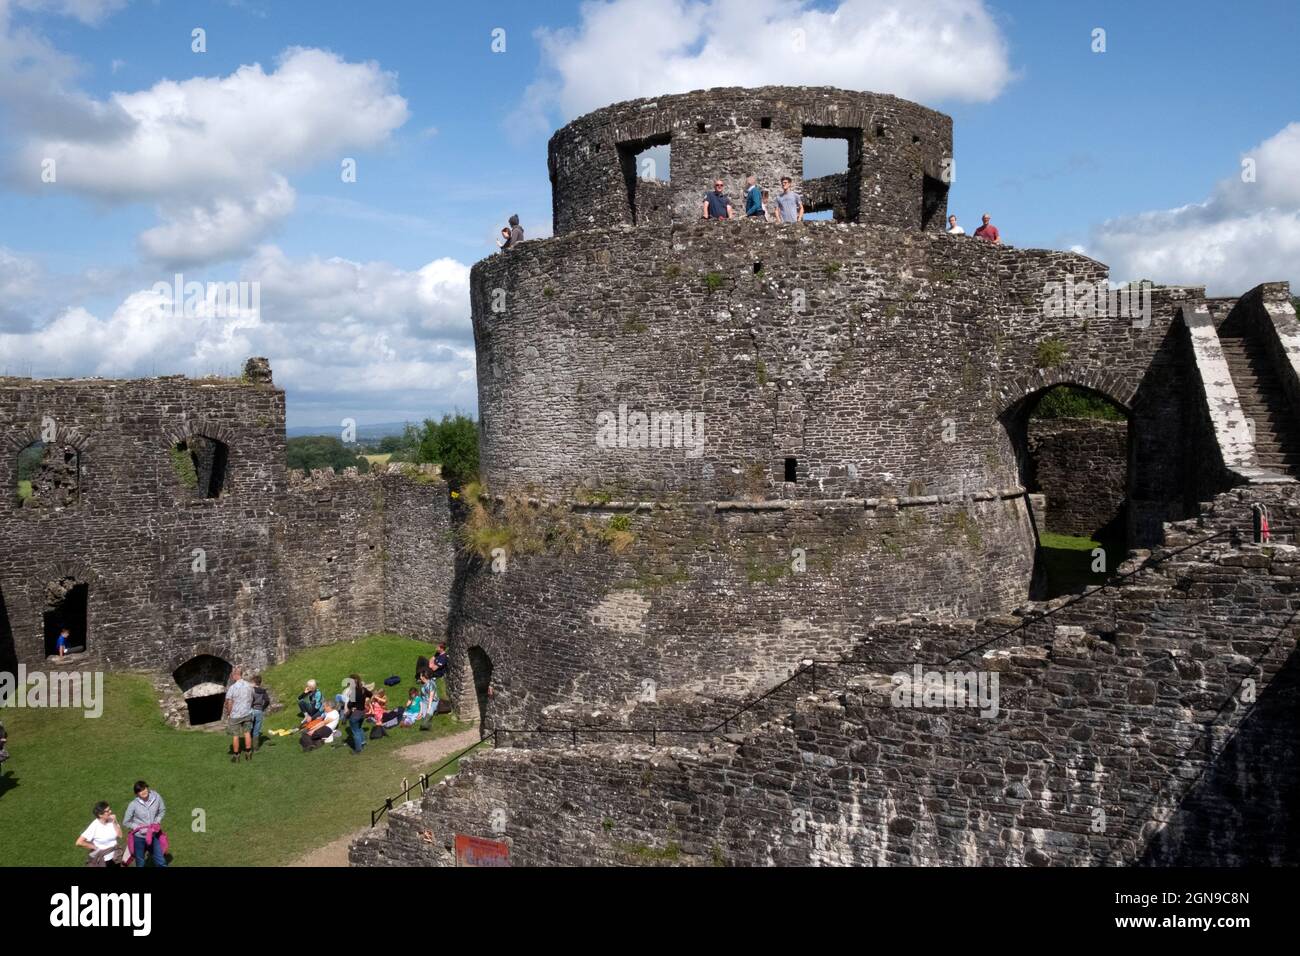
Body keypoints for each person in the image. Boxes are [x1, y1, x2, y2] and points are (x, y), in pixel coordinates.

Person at [121, 781, 167, 868]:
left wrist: (157, 821)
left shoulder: (156, 797)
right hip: (139, 838)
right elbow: (126, 821)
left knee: (160, 860)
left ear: (147, 788)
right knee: (140, 863)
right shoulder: (133, 805)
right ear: (136, 794)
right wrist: (137, 827)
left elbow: (162, 810)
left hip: (154, 836)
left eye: (144, 788)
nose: (143, 791)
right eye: (140, 790)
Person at [77, 801, 124, 866]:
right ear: (100, 815)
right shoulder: (94, 826)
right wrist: (95, 847)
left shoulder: (112, 820)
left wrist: (114, 822)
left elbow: (120, 836)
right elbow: (79, 842)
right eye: (107, 811)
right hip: (104, 861)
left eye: (109, 809)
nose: (110, 811)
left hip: (116, 857)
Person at [224, 666, 255, 762]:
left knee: (236, 735)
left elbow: (229, 702)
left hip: (236, 715)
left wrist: (229, 713)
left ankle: (236, 755)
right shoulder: (249, 685)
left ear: (236, 675)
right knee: (247, 733)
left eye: (233, 675)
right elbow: (252, 697)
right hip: (247, 713)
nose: (232, 677)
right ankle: (248, 753)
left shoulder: (232, 688)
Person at [345, 672, 371, 754]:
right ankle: (363, 742)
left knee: (355, 731)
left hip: (356, 714)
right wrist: (366, 702)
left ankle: (358, 749)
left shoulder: (353, 692)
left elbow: (349, 705)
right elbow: (371, 695)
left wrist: (350, 708)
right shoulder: (363, 689)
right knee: (359, 728)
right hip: (363, 712)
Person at [250, 674, 271, 751]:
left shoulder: (251, 690)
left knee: (249, 727)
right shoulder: (263, 691)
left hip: (251, 710)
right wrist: (263, 708)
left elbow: (249, 700)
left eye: (251, 682)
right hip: (259, 711)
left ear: (254, 682)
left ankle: (248, 746)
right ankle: (255, 747)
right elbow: (267, 701)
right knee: (256, 729)